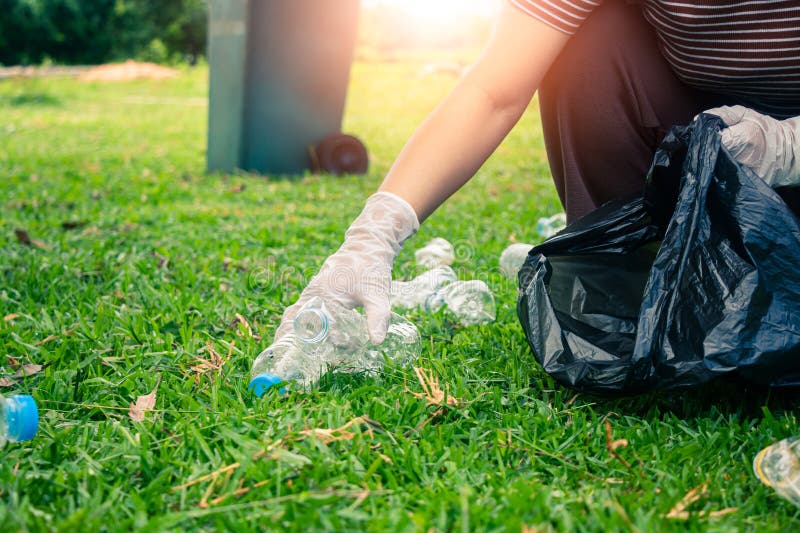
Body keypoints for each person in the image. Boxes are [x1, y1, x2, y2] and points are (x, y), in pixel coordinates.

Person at [272, 0, 800, 346]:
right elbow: (493, 90)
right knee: (588, 40)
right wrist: (374, 233)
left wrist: (787, 145)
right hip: (700, 135)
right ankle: (635, 284)